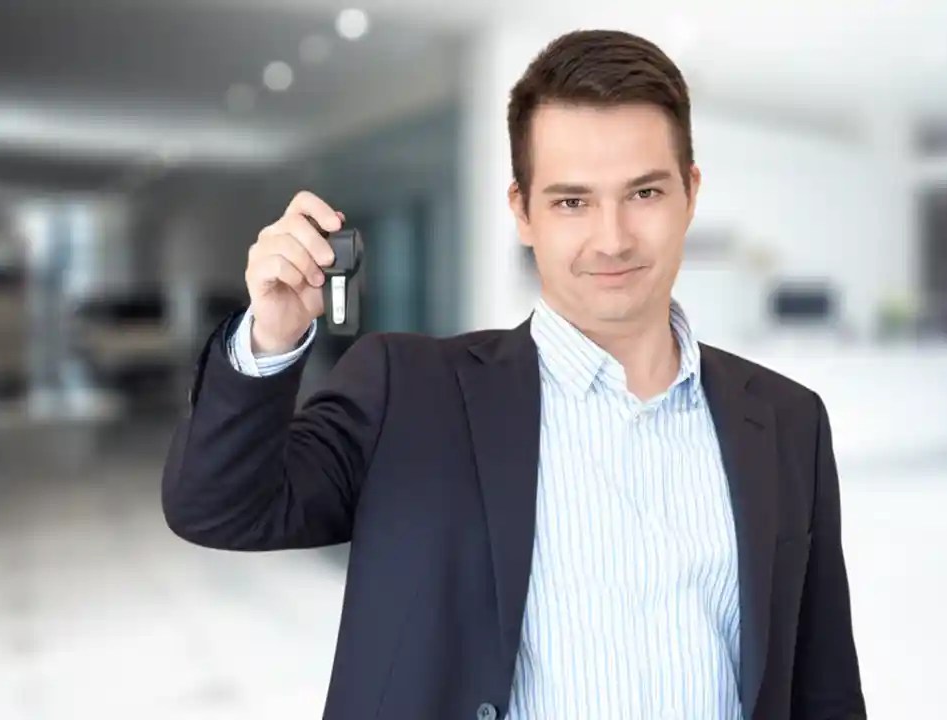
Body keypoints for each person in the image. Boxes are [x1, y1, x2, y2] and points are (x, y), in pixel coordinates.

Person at [162, 28, 865, 720]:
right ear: (521, 212)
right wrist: (271, 334)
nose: (612, 238)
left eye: (644, 194)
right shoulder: (408, 394)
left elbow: (822, 688)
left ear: (691, 192)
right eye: (571, 201)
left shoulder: (786, 420)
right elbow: (219, 506)